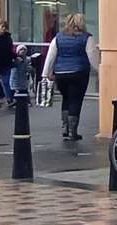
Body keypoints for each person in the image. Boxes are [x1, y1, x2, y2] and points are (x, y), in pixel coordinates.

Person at [41, 13, 99, 141]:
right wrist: (100, 70)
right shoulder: (87, 38)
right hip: (78, 73)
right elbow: (92, 56)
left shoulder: (58, 37)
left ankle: (65, 128)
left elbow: (51, 56)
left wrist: (46, 74)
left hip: (61, 74)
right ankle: (73, 132)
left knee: (66, 99)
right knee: (75, 101)